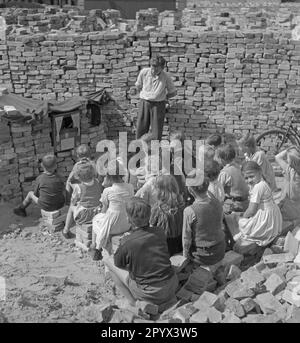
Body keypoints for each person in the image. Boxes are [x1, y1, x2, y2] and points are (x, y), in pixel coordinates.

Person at [104, 197, 178, 310]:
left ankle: (133, 302)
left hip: (149, 293)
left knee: (108, 261)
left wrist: (123, 246)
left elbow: (118, 263)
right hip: (172, 284)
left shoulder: (127, 241)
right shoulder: (159, 231)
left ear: (129, 220)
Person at [91, 159, 134, 260]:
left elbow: (104, 209)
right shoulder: (130, 187)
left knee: (95, 219)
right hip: (126, 224)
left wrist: (100, 216)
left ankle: (95, 247)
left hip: (112, 226)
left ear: (108, 177)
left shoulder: (108, 190)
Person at [234, 161, 282, 249]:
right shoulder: (263, 183)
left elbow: (251, 210)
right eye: (246, 178)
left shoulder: (258, 187)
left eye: (251, 176)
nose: (249, 180)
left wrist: (244, 217)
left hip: (265, 218)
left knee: (240, 222)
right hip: (271, 216)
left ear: (259, 172)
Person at [182, 177, 226, 266]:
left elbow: (186, 238)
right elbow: (220, 224)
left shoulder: (189, 211)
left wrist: (185, 256)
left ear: (190, 190)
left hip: (203, 256)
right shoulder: (217, 203)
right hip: (220, 250)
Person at [135, 55, 177, 140]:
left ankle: (155, 151)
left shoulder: (166, 77)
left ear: (162, 68)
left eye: (157, 68)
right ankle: (139, 149)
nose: (154, 70)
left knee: (156, 131)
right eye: (152, 67)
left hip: (158, 105)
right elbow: (138, 86)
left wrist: (164, 97)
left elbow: (173, 92)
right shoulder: (144, 72)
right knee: (141, 128)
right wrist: (144, 96)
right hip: (144, 103)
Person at [62, 161, 103, 239]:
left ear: (78, 176)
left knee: (71, 207)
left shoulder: (78, 187)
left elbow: (73, 201)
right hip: (97, 212)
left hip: (85, 216)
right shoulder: (97, 182)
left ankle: (66, 230)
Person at [149, 175, 184, 256]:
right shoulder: (181, 205)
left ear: (160, 191)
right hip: (179, 241)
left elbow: (151, 227)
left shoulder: (157, 208)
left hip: (164, 244)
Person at [215, 144, 249, 213]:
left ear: (221, 159)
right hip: (245, 203)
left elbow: (218, 193)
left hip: (234, 205)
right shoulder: (238, 167)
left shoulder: (224, 173)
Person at [275, 146, 300, 226]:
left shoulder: (289, 170)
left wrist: (289, 149)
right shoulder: (290, 170)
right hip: (293, 205)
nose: (286, 159)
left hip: (292, 208)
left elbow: (277, 157)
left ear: (292, 161)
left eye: (287, 158)